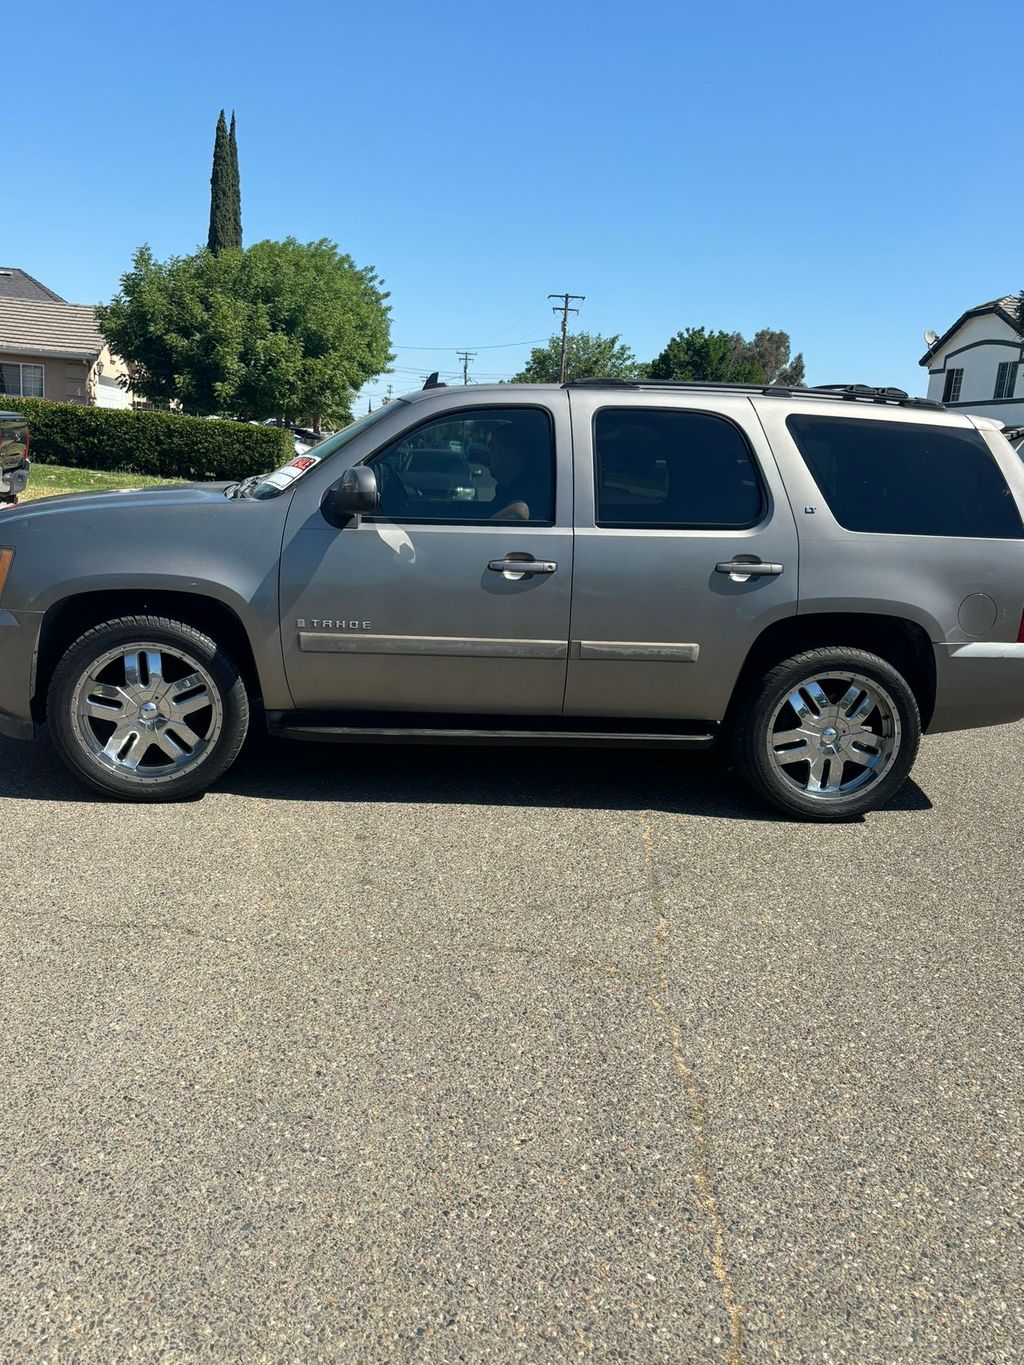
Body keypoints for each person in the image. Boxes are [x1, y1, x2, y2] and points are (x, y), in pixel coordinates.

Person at [486, 422, 553, 521]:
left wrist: (485, 530)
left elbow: (520, 511)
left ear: (509, 454)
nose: (488, 455)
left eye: (493, 449)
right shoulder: (507, 487)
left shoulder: (527, 486)